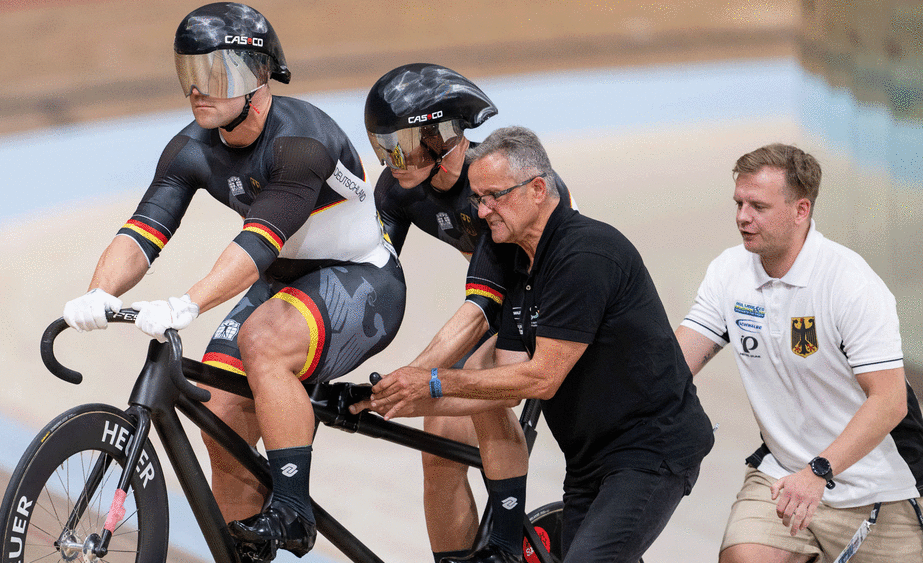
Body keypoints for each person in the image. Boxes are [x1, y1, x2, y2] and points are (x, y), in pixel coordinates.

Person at [61, 3, 406, 560]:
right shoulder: (191, 146)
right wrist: (99, 292)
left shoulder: (302, 141)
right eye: (188, 75)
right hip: (282, 284)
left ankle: (292, 509)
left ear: (257, 76)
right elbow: (144, 230)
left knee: (263, 341)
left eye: (213, 75)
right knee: (220, 422)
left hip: (363, 280)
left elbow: (258, 242)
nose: (197, 91)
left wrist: (187, 303)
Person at [368, 126, 714, 562]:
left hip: (651, 452)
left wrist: (432, 383)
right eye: (477, 199)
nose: (483, 211)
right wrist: (392, 398)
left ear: (537, 189)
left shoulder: (585, 254)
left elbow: (542, 377)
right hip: (590, 461)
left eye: (495, 195)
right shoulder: (519, 262)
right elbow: (506, 386)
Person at [361, 63, 577, 563]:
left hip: (544, 302)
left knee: (479, 386)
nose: (392, 160)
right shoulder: (396, 189)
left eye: (402, 146)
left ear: (441, 137)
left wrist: (416, 374)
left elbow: (482, 309)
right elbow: (371, 271)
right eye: (382, 147)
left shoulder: (493, 185)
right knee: (436, 449)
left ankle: (502, 546)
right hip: (495, 296)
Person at [675, 143, 923, 562]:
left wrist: (819, 472)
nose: (742, 217)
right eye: (738, 203)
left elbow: (890, 401)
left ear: (801, 210)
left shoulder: (850, 284)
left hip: (878, 486)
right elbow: (674, 363)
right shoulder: (728, 271)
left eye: (758, 206)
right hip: (783, 475)